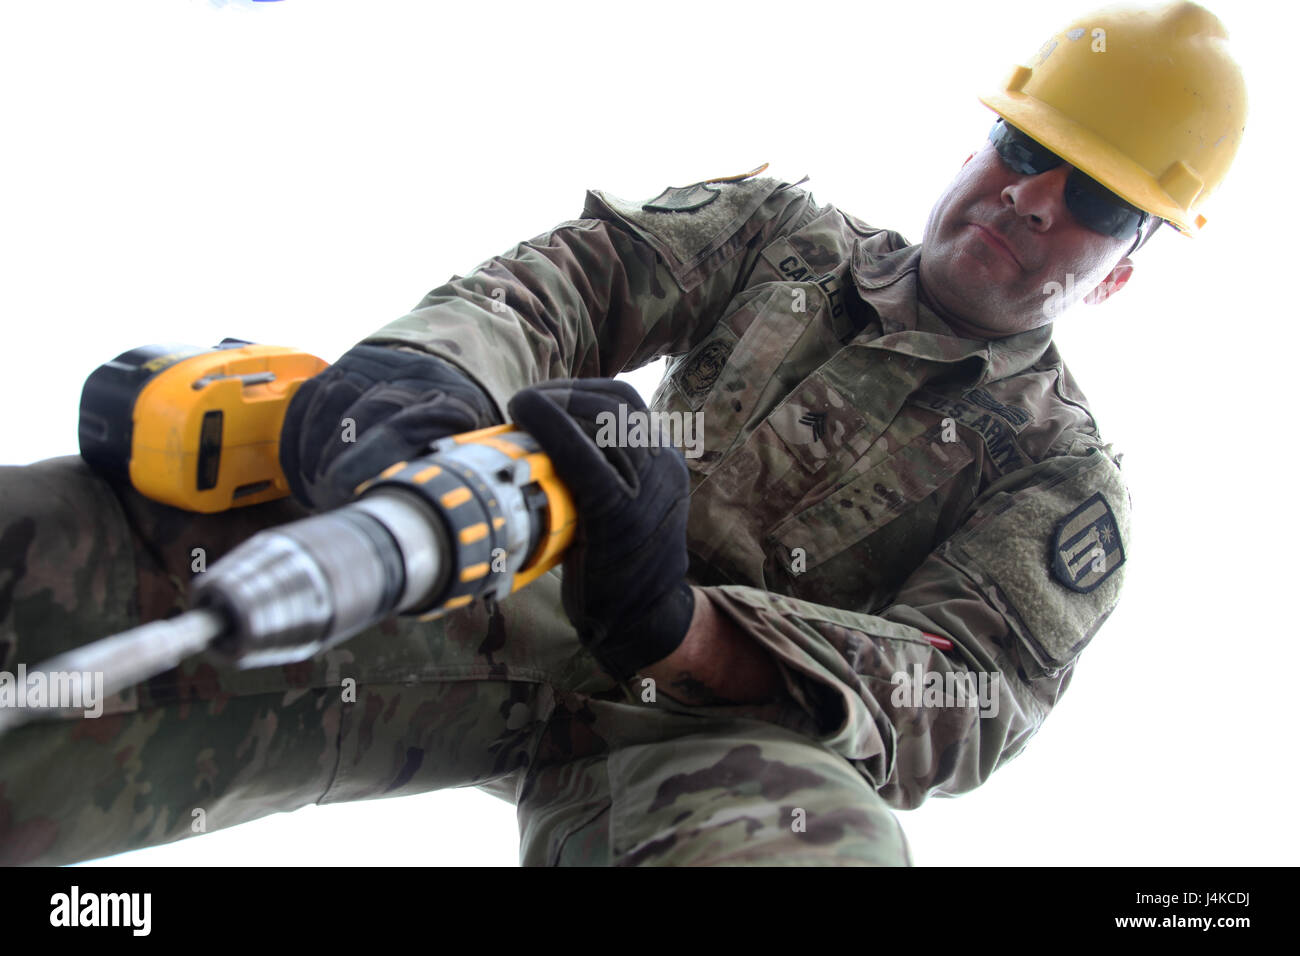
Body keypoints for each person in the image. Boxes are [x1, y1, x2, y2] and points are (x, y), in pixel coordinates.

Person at [0, 1, 1244, 866]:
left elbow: (960, 693)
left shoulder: (1059, 478)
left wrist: (687, 628)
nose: (1029, 195)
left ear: (1123, 274)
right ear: (981, 138)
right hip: (516, 573)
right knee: (93, 553)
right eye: (1026, 146)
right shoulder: (777, 233)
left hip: (715, 742)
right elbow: (565, 285)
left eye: (1091, 199)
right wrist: (413, 391)